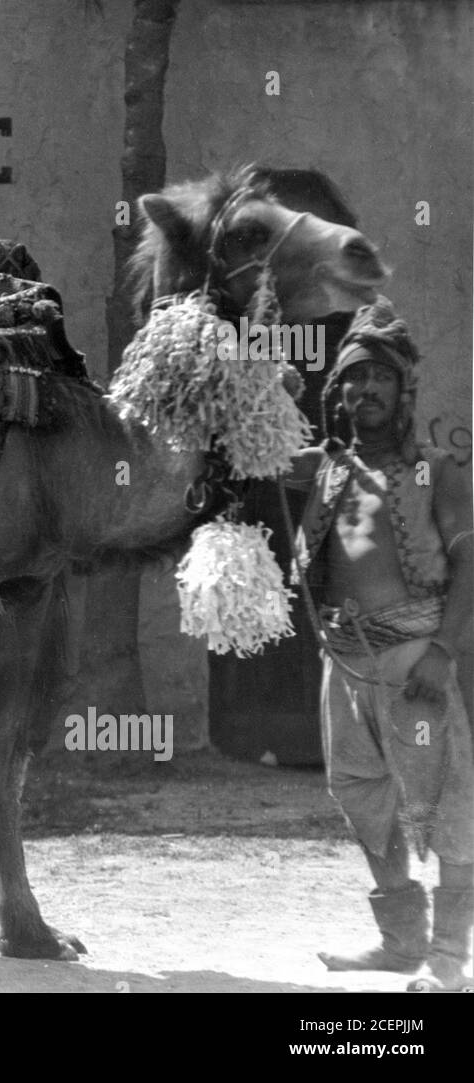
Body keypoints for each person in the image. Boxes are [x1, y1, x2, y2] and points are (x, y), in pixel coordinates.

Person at [287, 297, 472, 991]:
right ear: (337, 393)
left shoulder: (438, 472)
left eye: (381, 379)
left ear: (405, 391)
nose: (367, 391)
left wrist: (443, 651)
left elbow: (472, 563)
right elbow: (251, 451)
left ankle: (449, 963)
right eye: (354, 379)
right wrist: (265, 390)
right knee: (361, 794)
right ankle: (401, 942)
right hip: (345, 663)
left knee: (449, 804)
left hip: (414, 660)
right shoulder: (325, 469)